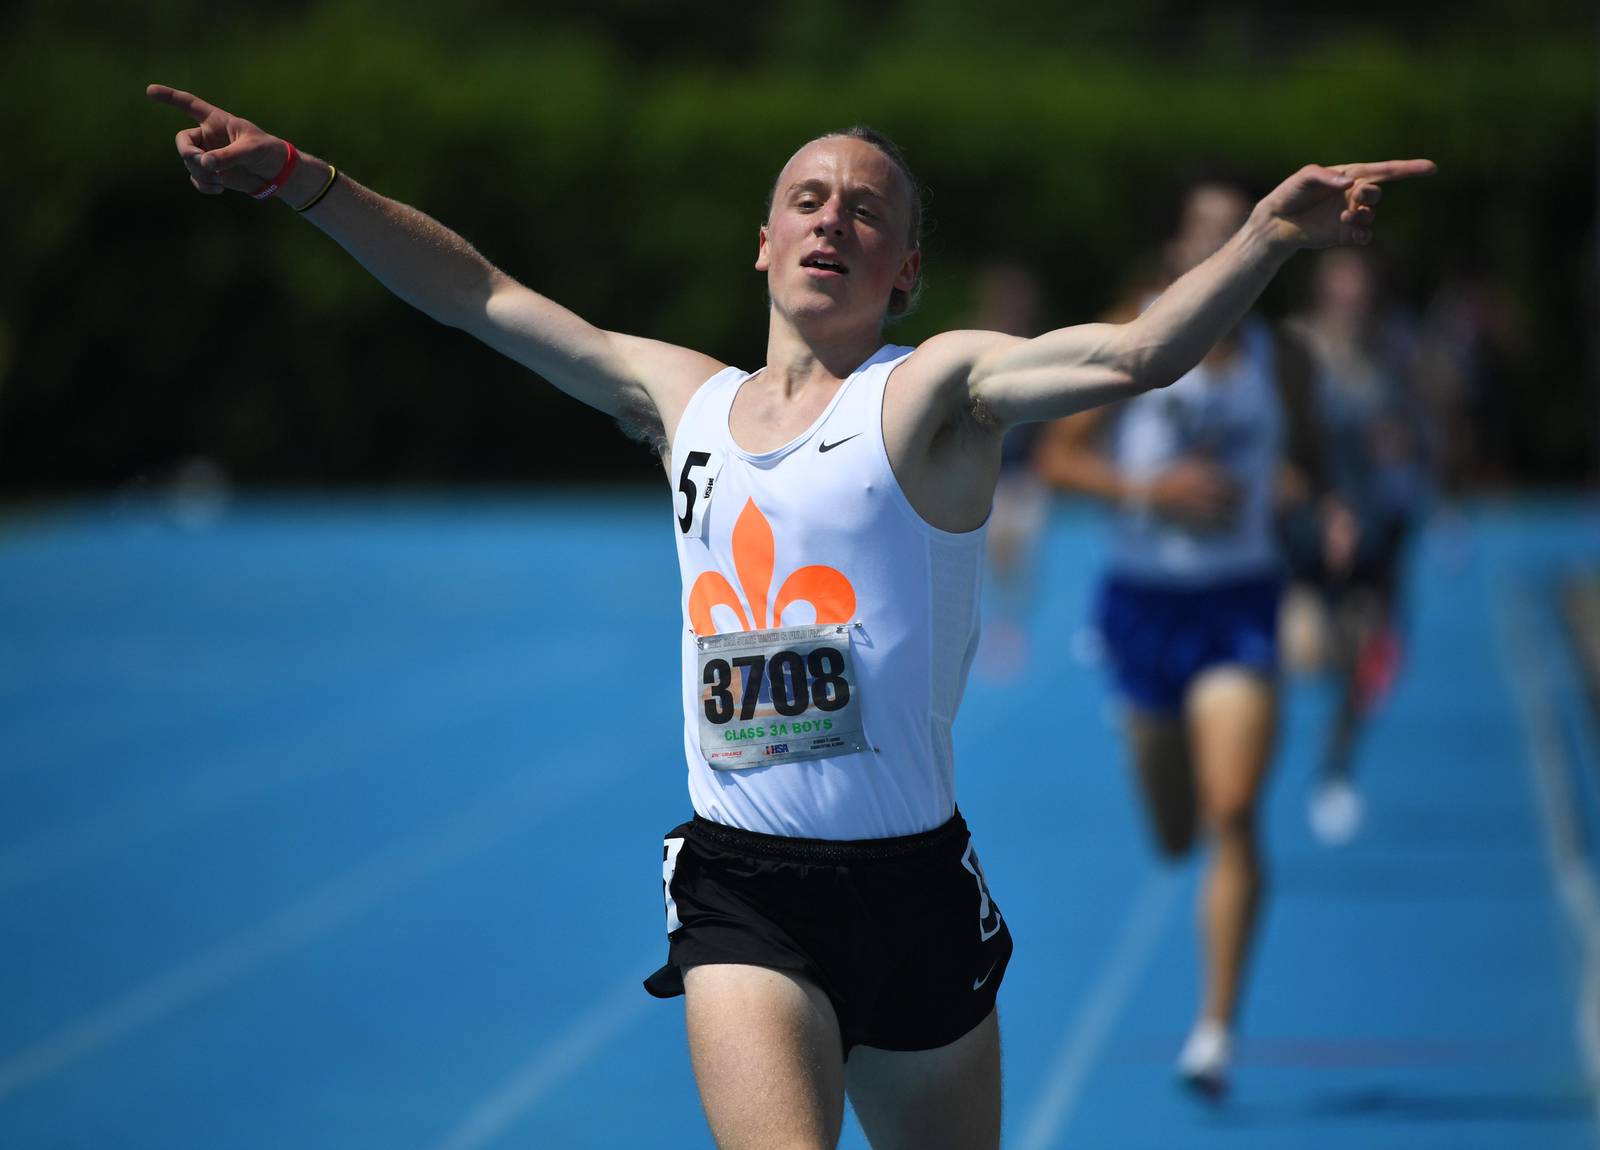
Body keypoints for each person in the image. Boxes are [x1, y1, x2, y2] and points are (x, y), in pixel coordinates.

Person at [149, 82, 1429, 1148]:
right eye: (807, 200)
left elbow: (1133, 357)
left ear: (905, 265)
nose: (834, 220)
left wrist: (1265, 236)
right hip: (742, 886)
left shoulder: (939, 391)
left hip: (916, 888)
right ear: (761, 241)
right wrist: (299, 180)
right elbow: (475, 294)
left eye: (867, 211)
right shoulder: (679, 400)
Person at [1033, 176, 1361, 1099]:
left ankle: (1214, 1028)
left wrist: (1320, 503)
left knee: (1233, 811)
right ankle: (1139, 723)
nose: (1226, 253)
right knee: (1176, 834)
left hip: (1241, 604)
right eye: (1208, 237)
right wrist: (1153, 492)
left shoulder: (1279, 355)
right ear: (1174, 252)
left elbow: (1303, 461)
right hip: (1144, 607)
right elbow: (1057, 458)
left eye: (1242, 236)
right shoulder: (1129, 336)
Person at [1280, 248, 1431, 844]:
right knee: (1308, 652)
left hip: (1376, 535)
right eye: (1338, 290)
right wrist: (1318, 508)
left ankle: (1337, 765)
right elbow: (1281, 446)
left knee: (1364, 662)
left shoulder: (1392, 356)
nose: (1349, 302)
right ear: (1322, 292)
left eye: (1358, 291)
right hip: (1306, 535)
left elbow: (1414, 440)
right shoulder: (1294, 350)